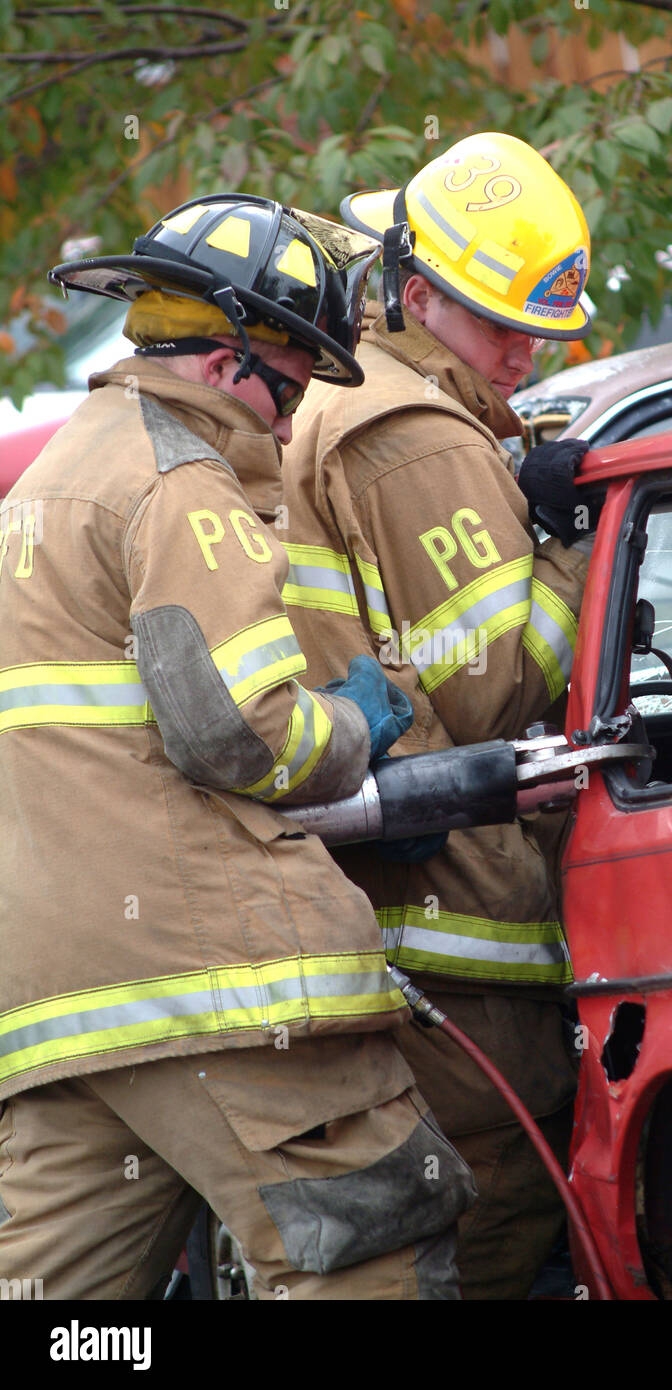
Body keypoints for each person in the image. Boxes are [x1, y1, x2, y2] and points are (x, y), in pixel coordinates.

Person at [0, 194, 475, 1301]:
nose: (288, 421)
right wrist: (358, 721)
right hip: (220, 989)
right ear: (223, 361)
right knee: (377, 1259)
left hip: (57, 1012)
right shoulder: (178, 483)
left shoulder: (44, 485)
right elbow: (236, 731)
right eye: (291, 387)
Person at [280, 134, 594, 1299]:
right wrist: (565, 547)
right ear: (416, 298)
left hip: (395, 910)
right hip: (463, 920)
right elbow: (491, 690)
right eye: (499, 322)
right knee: (501, 1215)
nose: (525, 352)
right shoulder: (415, 439)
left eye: (536, 328)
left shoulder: (353, 397)